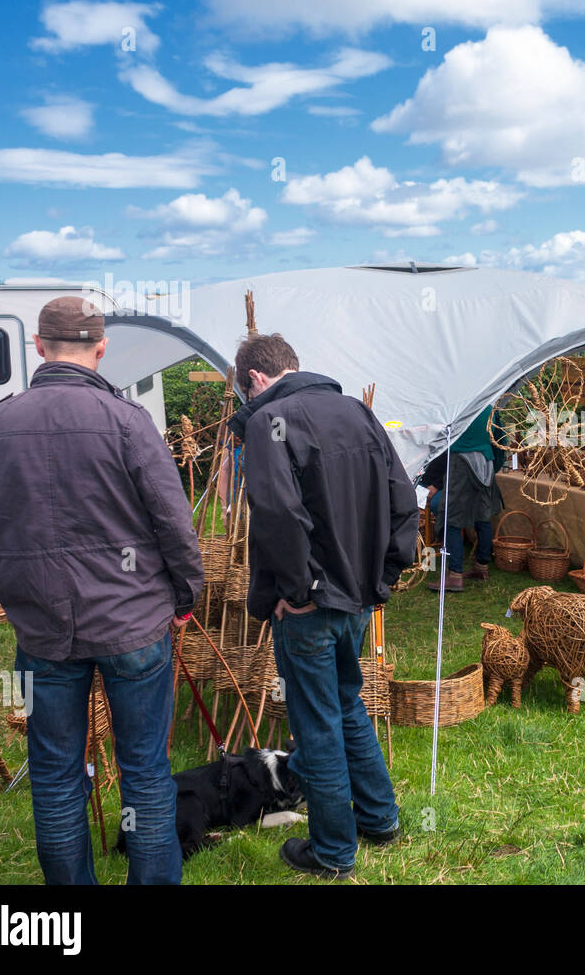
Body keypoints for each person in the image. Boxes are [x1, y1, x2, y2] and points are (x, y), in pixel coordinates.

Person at [0, 296, 203, 885]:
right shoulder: (128, 421)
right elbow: (174, 522)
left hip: (45, 630)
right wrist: (186, 596)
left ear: (38, 347)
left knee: (55, 773)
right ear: (100, 348)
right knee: (144, 770)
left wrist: (19, 586)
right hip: (132, 624)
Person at [229, 333, 418, 880]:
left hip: (313, 607)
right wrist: (378, 580)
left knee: (318, 724)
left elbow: (278, 516)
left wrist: (296, 592)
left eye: (246, 392)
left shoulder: (270, 422)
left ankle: (334, 852)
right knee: (346, 703)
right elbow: (403, 503)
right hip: (354, 598)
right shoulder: (357, 413)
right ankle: (380, 820)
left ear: (256, 380)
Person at [419, 404, 505, 592]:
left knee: (451, 518)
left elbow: (437, 440)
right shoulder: (490, 407)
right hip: (485, 461)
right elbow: (500, 441)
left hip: (461, 463)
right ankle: (481, 568)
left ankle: (455, 575)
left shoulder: (459, 405)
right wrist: (493, 465)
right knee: (483, 516)